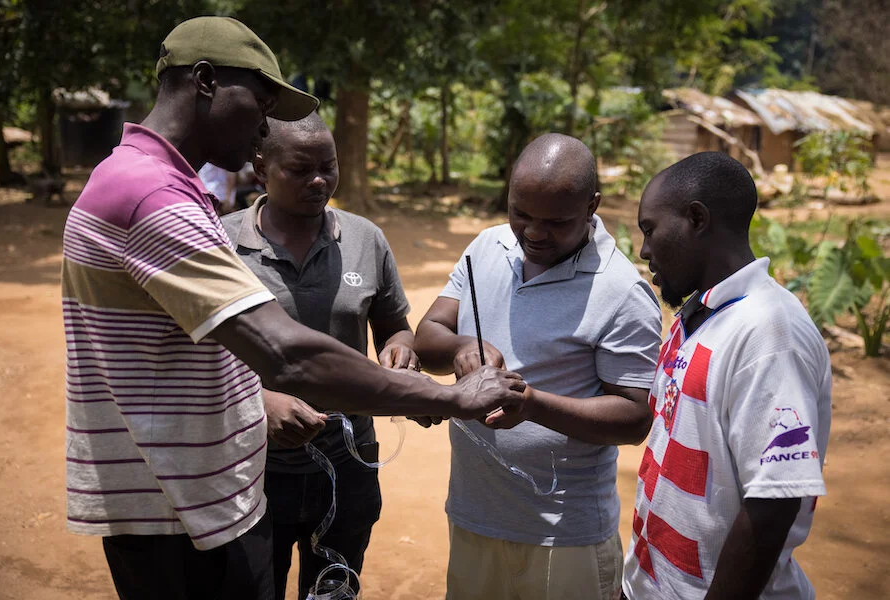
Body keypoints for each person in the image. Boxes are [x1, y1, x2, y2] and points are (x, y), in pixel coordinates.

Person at [62, 16, 524, 600]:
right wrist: (450, 396)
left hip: (201, 497)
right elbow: (286, 355)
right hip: (179, 513)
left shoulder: (154, 185)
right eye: (259, 101)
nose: (264, 123)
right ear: (204, 81)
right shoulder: (150, 195)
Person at [414, 133, 662, 600]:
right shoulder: (486, 248)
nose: (532, 232)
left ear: (592, 207)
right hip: (473, 516)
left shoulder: (621, 291)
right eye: (520, 213)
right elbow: (427, 334)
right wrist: (463, 347)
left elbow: (634, 418)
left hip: (564, 536)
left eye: (555, 221)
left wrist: (531, 405)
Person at [221, 113, 417, 599]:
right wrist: (259, 402)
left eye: (328, 166)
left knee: (335, 592)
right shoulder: (221, 244)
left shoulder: (365, 239)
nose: (319, 181)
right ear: (260, 167)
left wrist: (399, 351)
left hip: (348, 467)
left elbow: (395, 327)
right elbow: (195, 353)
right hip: (249, 473)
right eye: (300, 169)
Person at [622, 152, 831, 599]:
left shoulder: (771, 332)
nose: (643, 250)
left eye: (649, 229)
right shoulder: (697, 316)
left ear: (697, 218)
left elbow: (773, 502)